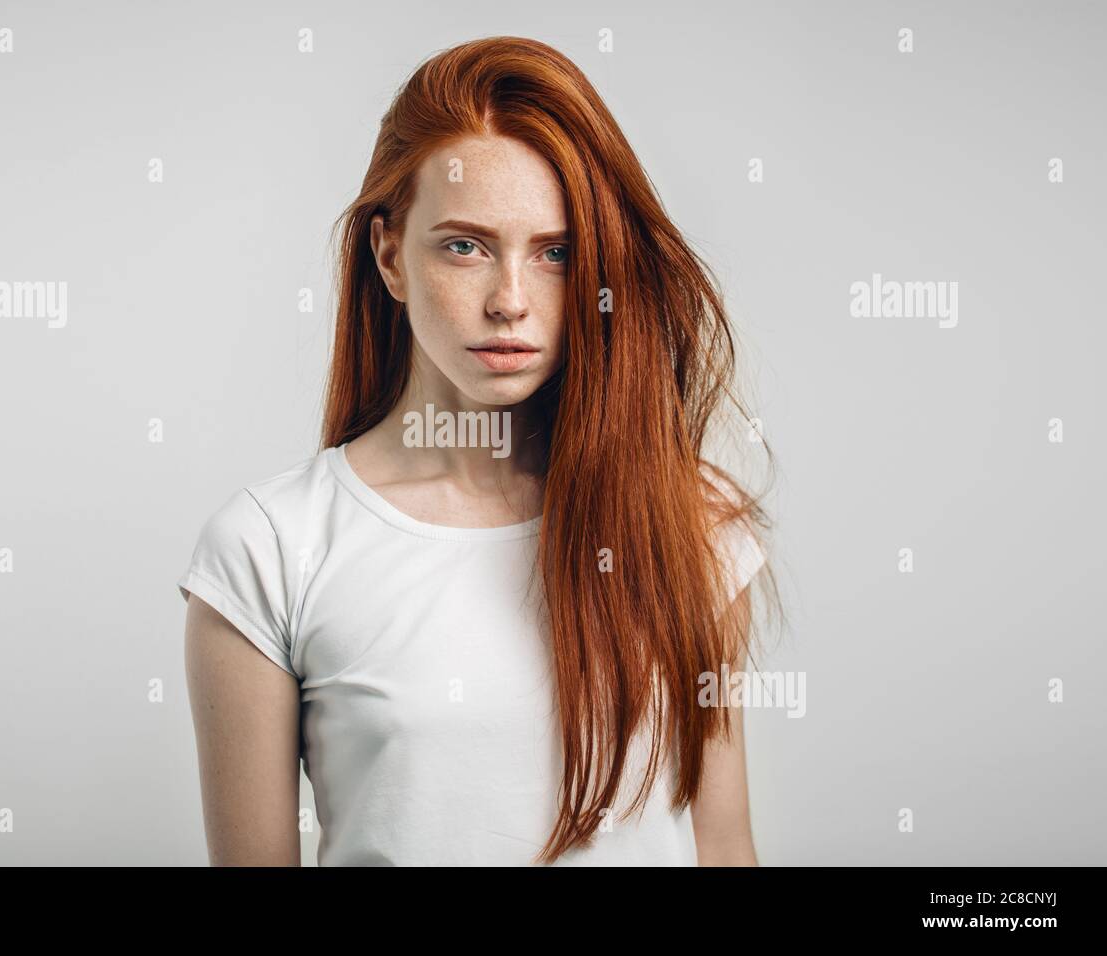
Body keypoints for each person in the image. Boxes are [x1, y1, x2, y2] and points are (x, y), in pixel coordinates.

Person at [179, 35, 780, 866]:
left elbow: (724, 848)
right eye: (464, 245)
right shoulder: (269, 550)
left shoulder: (693, 526)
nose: (510, 302)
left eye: (556, 253)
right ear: (390, 255)